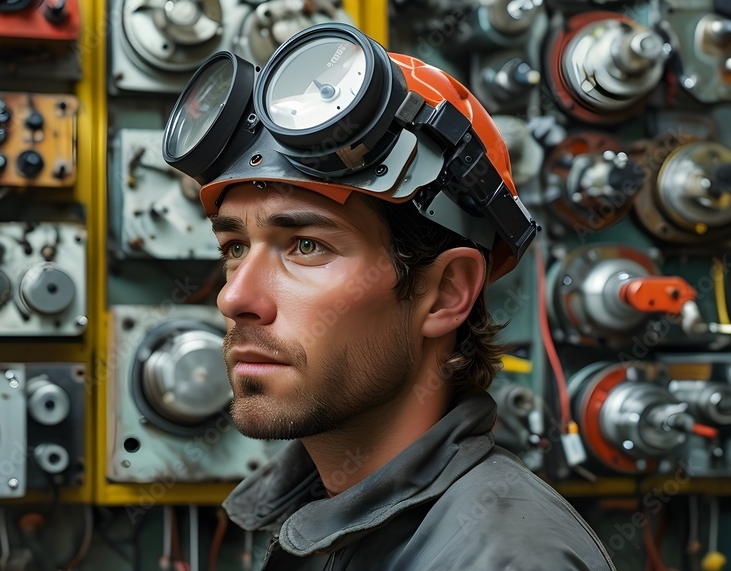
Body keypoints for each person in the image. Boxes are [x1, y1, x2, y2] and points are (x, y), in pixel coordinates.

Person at [162, 22, 615, 570]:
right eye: (235, 245)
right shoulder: (321, 519)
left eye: (305, 245)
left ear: (446, 293)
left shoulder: (504, 557)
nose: (236, 297)